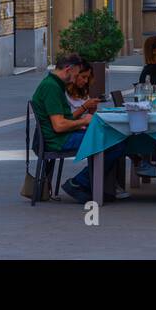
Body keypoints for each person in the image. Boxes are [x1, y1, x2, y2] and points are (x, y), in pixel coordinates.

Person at [32, 54, 123, 204]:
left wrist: (82, 120)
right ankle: (81, 183)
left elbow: (64, 120)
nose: (75, 79)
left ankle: (92, 185)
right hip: (59, 140)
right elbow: (59, 125)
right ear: (68, 69)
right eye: (76, 74)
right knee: (114, 143)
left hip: (62, 136)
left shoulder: (54, 84)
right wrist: (84, 120)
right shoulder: (51, 87)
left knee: (112, 138)